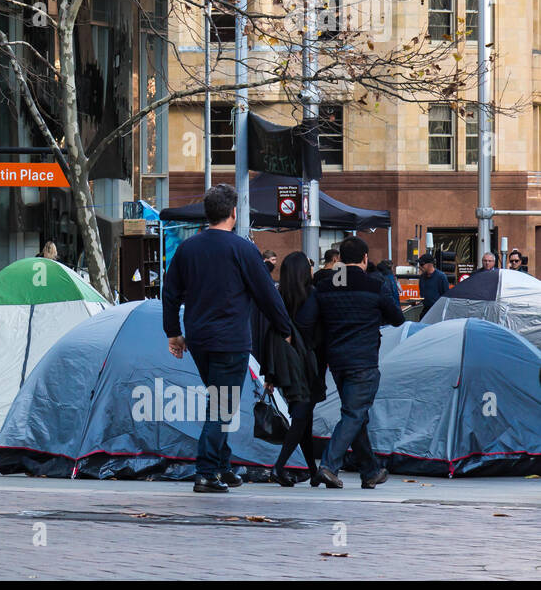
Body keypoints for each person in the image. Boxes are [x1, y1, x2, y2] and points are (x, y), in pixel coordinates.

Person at [162, 184, 293, 494]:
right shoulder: (243, 249)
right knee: (221, 407)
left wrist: (173, 333)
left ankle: (222, 465)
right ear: (234, 213)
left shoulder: (188, 249)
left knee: (219, 400)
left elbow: (170, 293)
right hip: (231, 341)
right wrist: (284, 328)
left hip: (200, 339)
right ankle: (206, 471)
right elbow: (266, 294)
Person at [314, 235, 405, 489]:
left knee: (357, 416)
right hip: (363, 360)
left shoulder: (326, 285)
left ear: (340, 259)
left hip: (337, 361)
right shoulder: (375, 285)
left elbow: (313, 320)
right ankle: (328, 466)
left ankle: (370, 471)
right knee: (354, 413)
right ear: (365, 259)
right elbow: (397, 318)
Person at [254, 251, 323, 487]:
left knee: (304, 420)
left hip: (285, 366)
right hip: (305, 365)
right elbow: (315, 335)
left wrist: (270, 374)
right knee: (302, 417)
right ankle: (279, 466)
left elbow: (269, 336)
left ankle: (313, 471)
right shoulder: (313, 297)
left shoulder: (279, 298)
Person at [418, 253, 450, 319]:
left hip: (437, 311)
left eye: (422, 264)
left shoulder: (441, 277)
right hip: (426, 310)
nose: (420, 267)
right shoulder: (422, 277)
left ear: (430, 264)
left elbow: (446, 296)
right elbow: (422, 295)